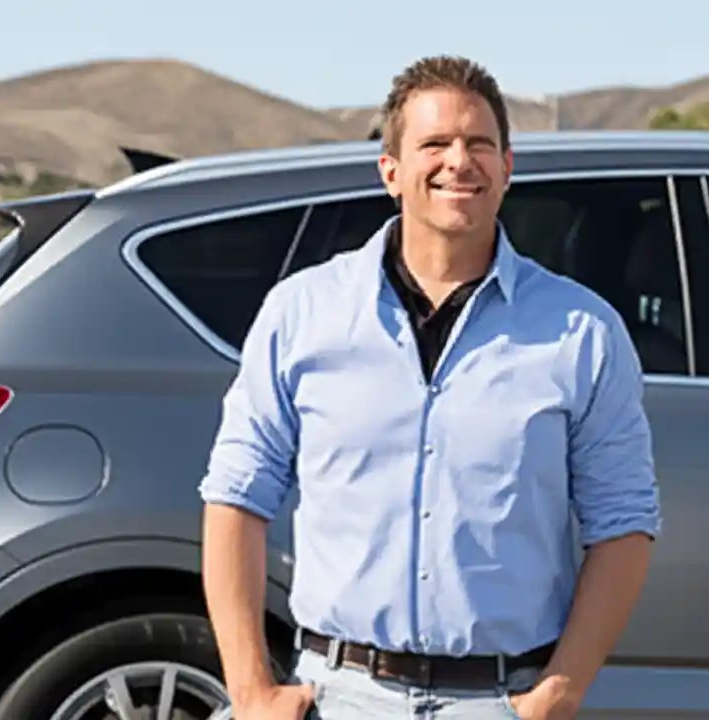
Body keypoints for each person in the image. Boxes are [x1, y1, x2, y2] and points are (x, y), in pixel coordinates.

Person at [198, 55, 661, 719]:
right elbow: (235, 499)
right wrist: (250, 692)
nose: (459, 161)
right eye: (435, 144)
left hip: (501, 700)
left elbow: (625, 522)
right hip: (337, 695)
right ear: (390, 171)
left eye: (479, 144)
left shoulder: (582, 331)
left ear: (507, 167)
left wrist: (558, 693)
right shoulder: (302, 314)